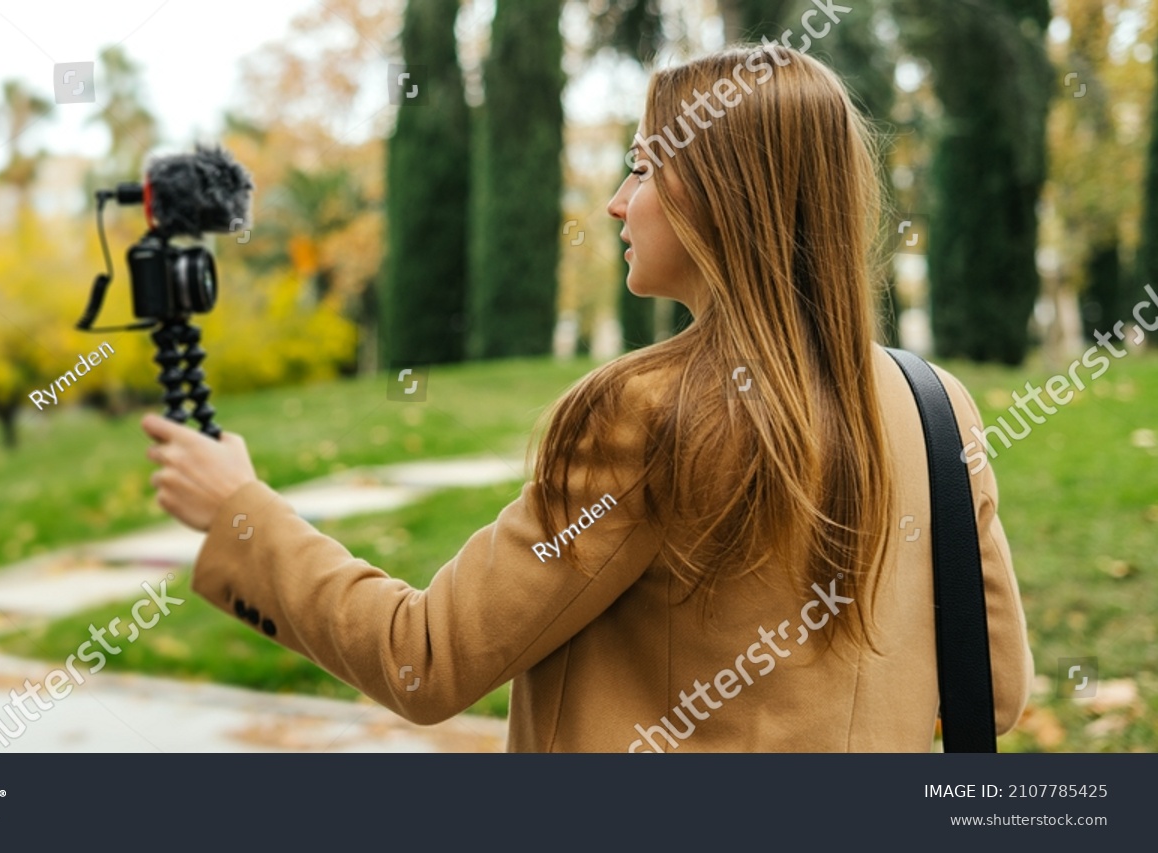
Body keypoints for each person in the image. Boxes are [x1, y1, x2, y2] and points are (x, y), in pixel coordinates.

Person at [140, 44, 1034, 752]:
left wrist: (239, 513)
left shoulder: (644, 415)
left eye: (642, 168)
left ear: (724, 197)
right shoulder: (934, 405)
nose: (615, 203)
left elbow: (426, 658)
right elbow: (992, 693)